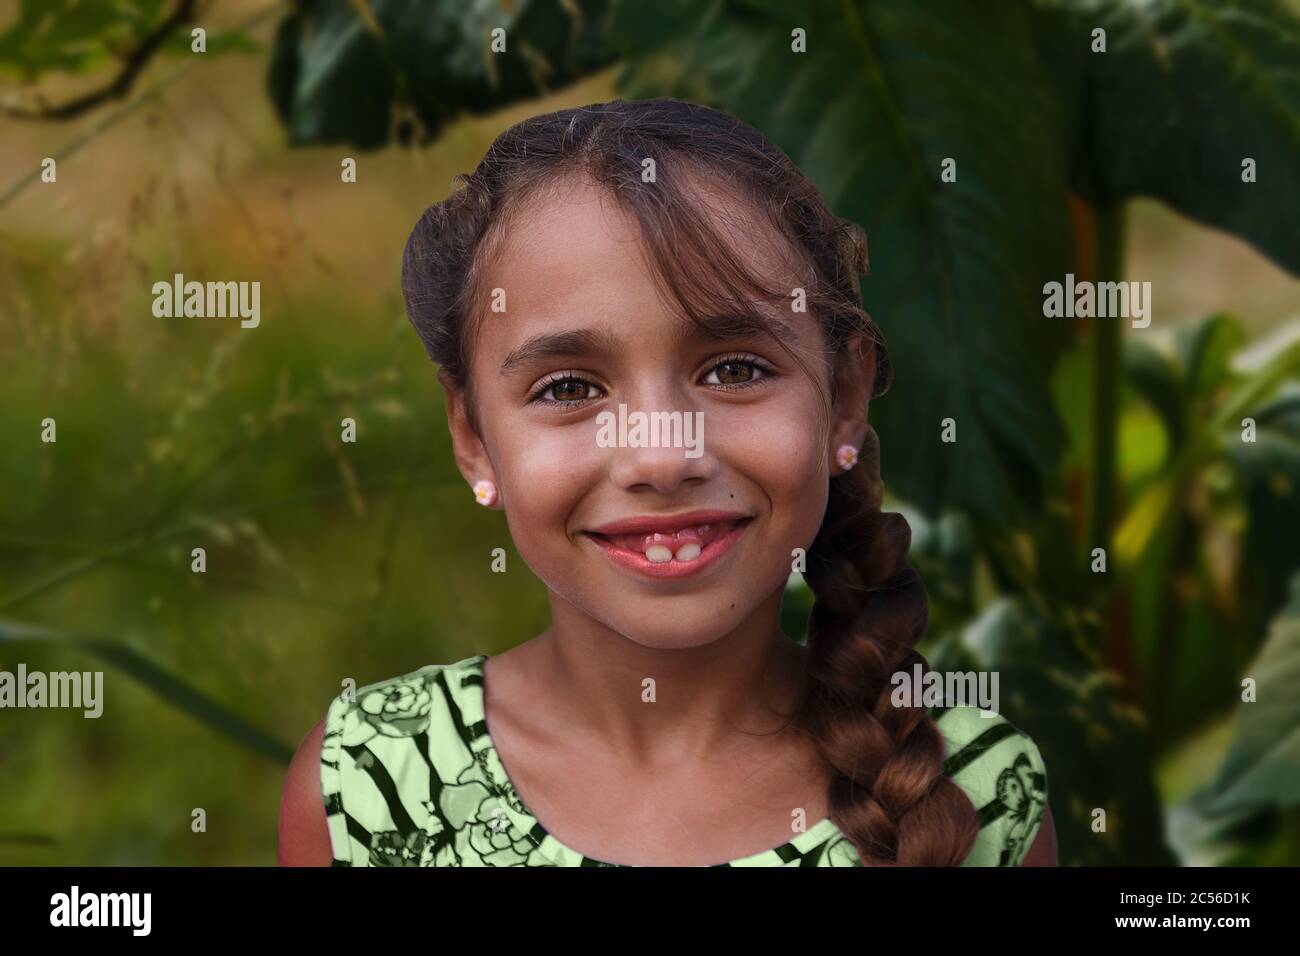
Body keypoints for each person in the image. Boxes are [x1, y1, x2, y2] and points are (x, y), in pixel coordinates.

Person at [279, 98, 1056, 867]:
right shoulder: (368, 785)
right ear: (474, 437)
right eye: (568, 389)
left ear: (843, 404)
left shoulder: (974, 796)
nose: (660, 456)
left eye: (735, 370)